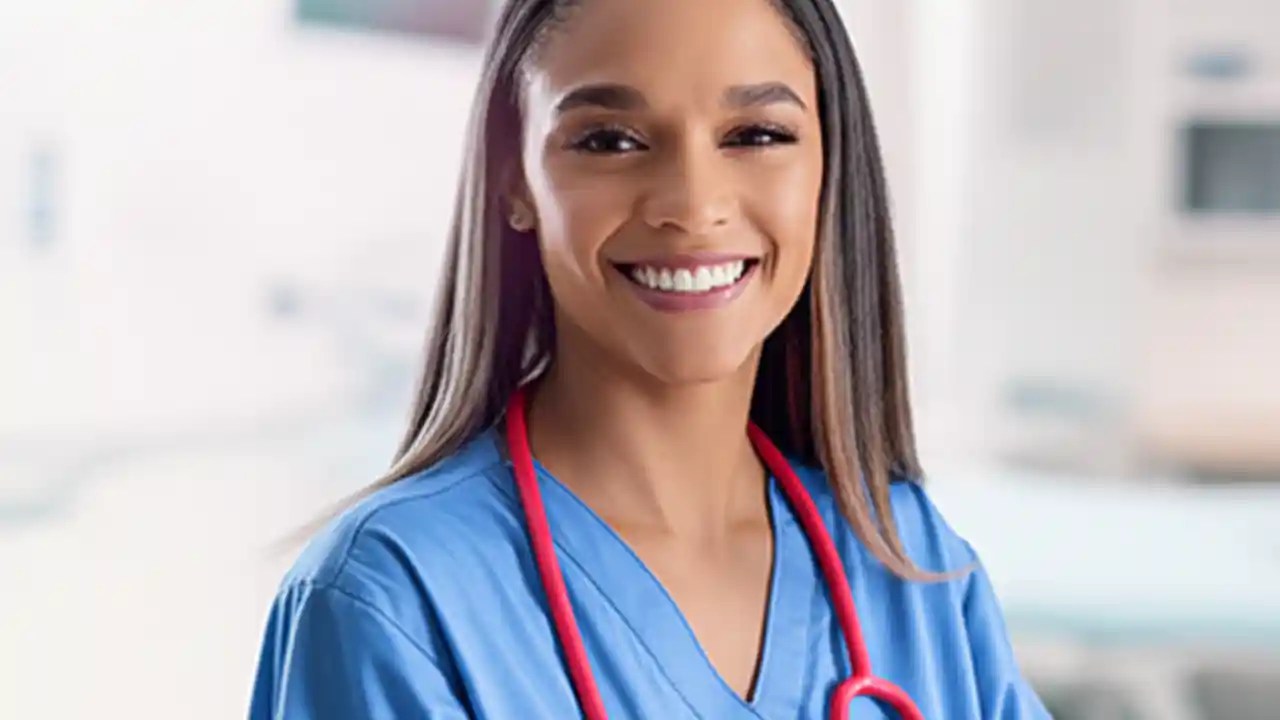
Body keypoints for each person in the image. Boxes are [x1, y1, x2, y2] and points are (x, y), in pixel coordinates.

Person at [248, 0, 1051, 717]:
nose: (693, 206)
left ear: (828, 171)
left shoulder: (908, 565)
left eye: (756, 135)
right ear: (513, 179)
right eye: (610, 141)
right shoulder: (398, 598)